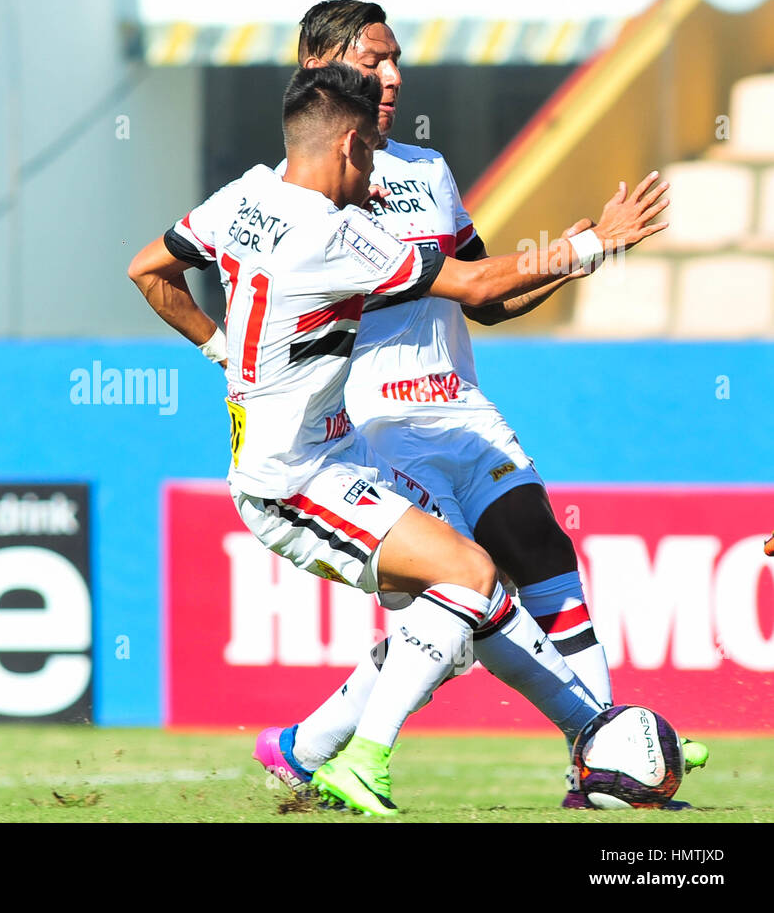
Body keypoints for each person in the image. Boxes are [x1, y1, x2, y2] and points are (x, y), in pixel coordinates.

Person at [127, 64, 669, 814]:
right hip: (291, 481)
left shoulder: (244, 197)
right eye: (372, 157)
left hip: (328, 457)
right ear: (350, 144)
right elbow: (478, 287)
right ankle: (366, 759)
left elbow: (147, 269)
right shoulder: (336, 235)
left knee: (460, 601)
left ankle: (311, 748)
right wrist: (590, 246)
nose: (378, 174)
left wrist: (225, 353)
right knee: (470, 577)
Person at [269, 0, 707, 804]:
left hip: (462, 410)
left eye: (395, 58)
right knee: (462, 610)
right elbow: (470, 277)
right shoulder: (300, 196)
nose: (393, 75)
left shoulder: (428, 171)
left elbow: (483, 299)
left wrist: (566, 264)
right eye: (373, 61)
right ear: (317, 67)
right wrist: (587, 245)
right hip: (377, 429)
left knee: (542, 550)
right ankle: (318, 745)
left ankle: (606, 745)